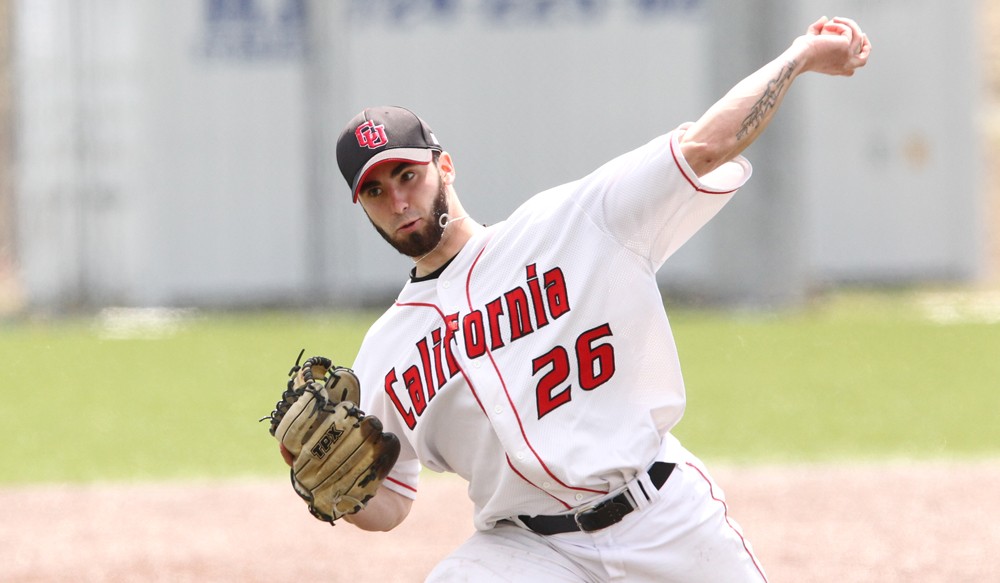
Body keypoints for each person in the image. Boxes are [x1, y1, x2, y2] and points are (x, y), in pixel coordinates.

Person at [331, 16, 870, 582]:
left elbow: (706, 145)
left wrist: (801, 54)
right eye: (374, 190)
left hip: (662, 519)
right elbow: (391, 502)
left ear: (443, 165)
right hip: (528, 550)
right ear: (361, 204)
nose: (397, 200)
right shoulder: (385, 351)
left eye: (406, 175)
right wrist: (328, 483)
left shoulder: (573, 224)